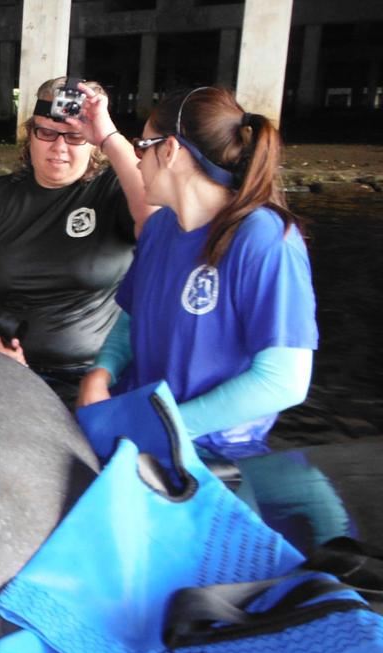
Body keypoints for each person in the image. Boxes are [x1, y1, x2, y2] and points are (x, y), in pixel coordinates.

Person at [77, 86, 317, 459]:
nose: (138, 160)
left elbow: (284, 381)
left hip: (213, 448)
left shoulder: (265, 239)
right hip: (137, 424)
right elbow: (131, 319)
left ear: (170, 150)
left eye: (142, 147)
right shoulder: (160, 228)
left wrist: (169, 428)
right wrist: (101, 371)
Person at [0, 77, 154, 396]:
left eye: (75, 137)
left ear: (93, 143)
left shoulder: (115, 193)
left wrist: (109, 137)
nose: (58, 147)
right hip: (0, 365)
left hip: (92, 377)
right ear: (30, 135)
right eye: (46, 132)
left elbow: (157, 217)